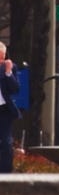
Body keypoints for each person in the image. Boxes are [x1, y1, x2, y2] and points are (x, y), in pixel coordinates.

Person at [0, 41, 20, 174]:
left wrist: (8, 72)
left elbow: (15, 88)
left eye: (2, 55)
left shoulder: (9, 67)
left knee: (6, 143)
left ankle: (5, 174)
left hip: (4, 110)